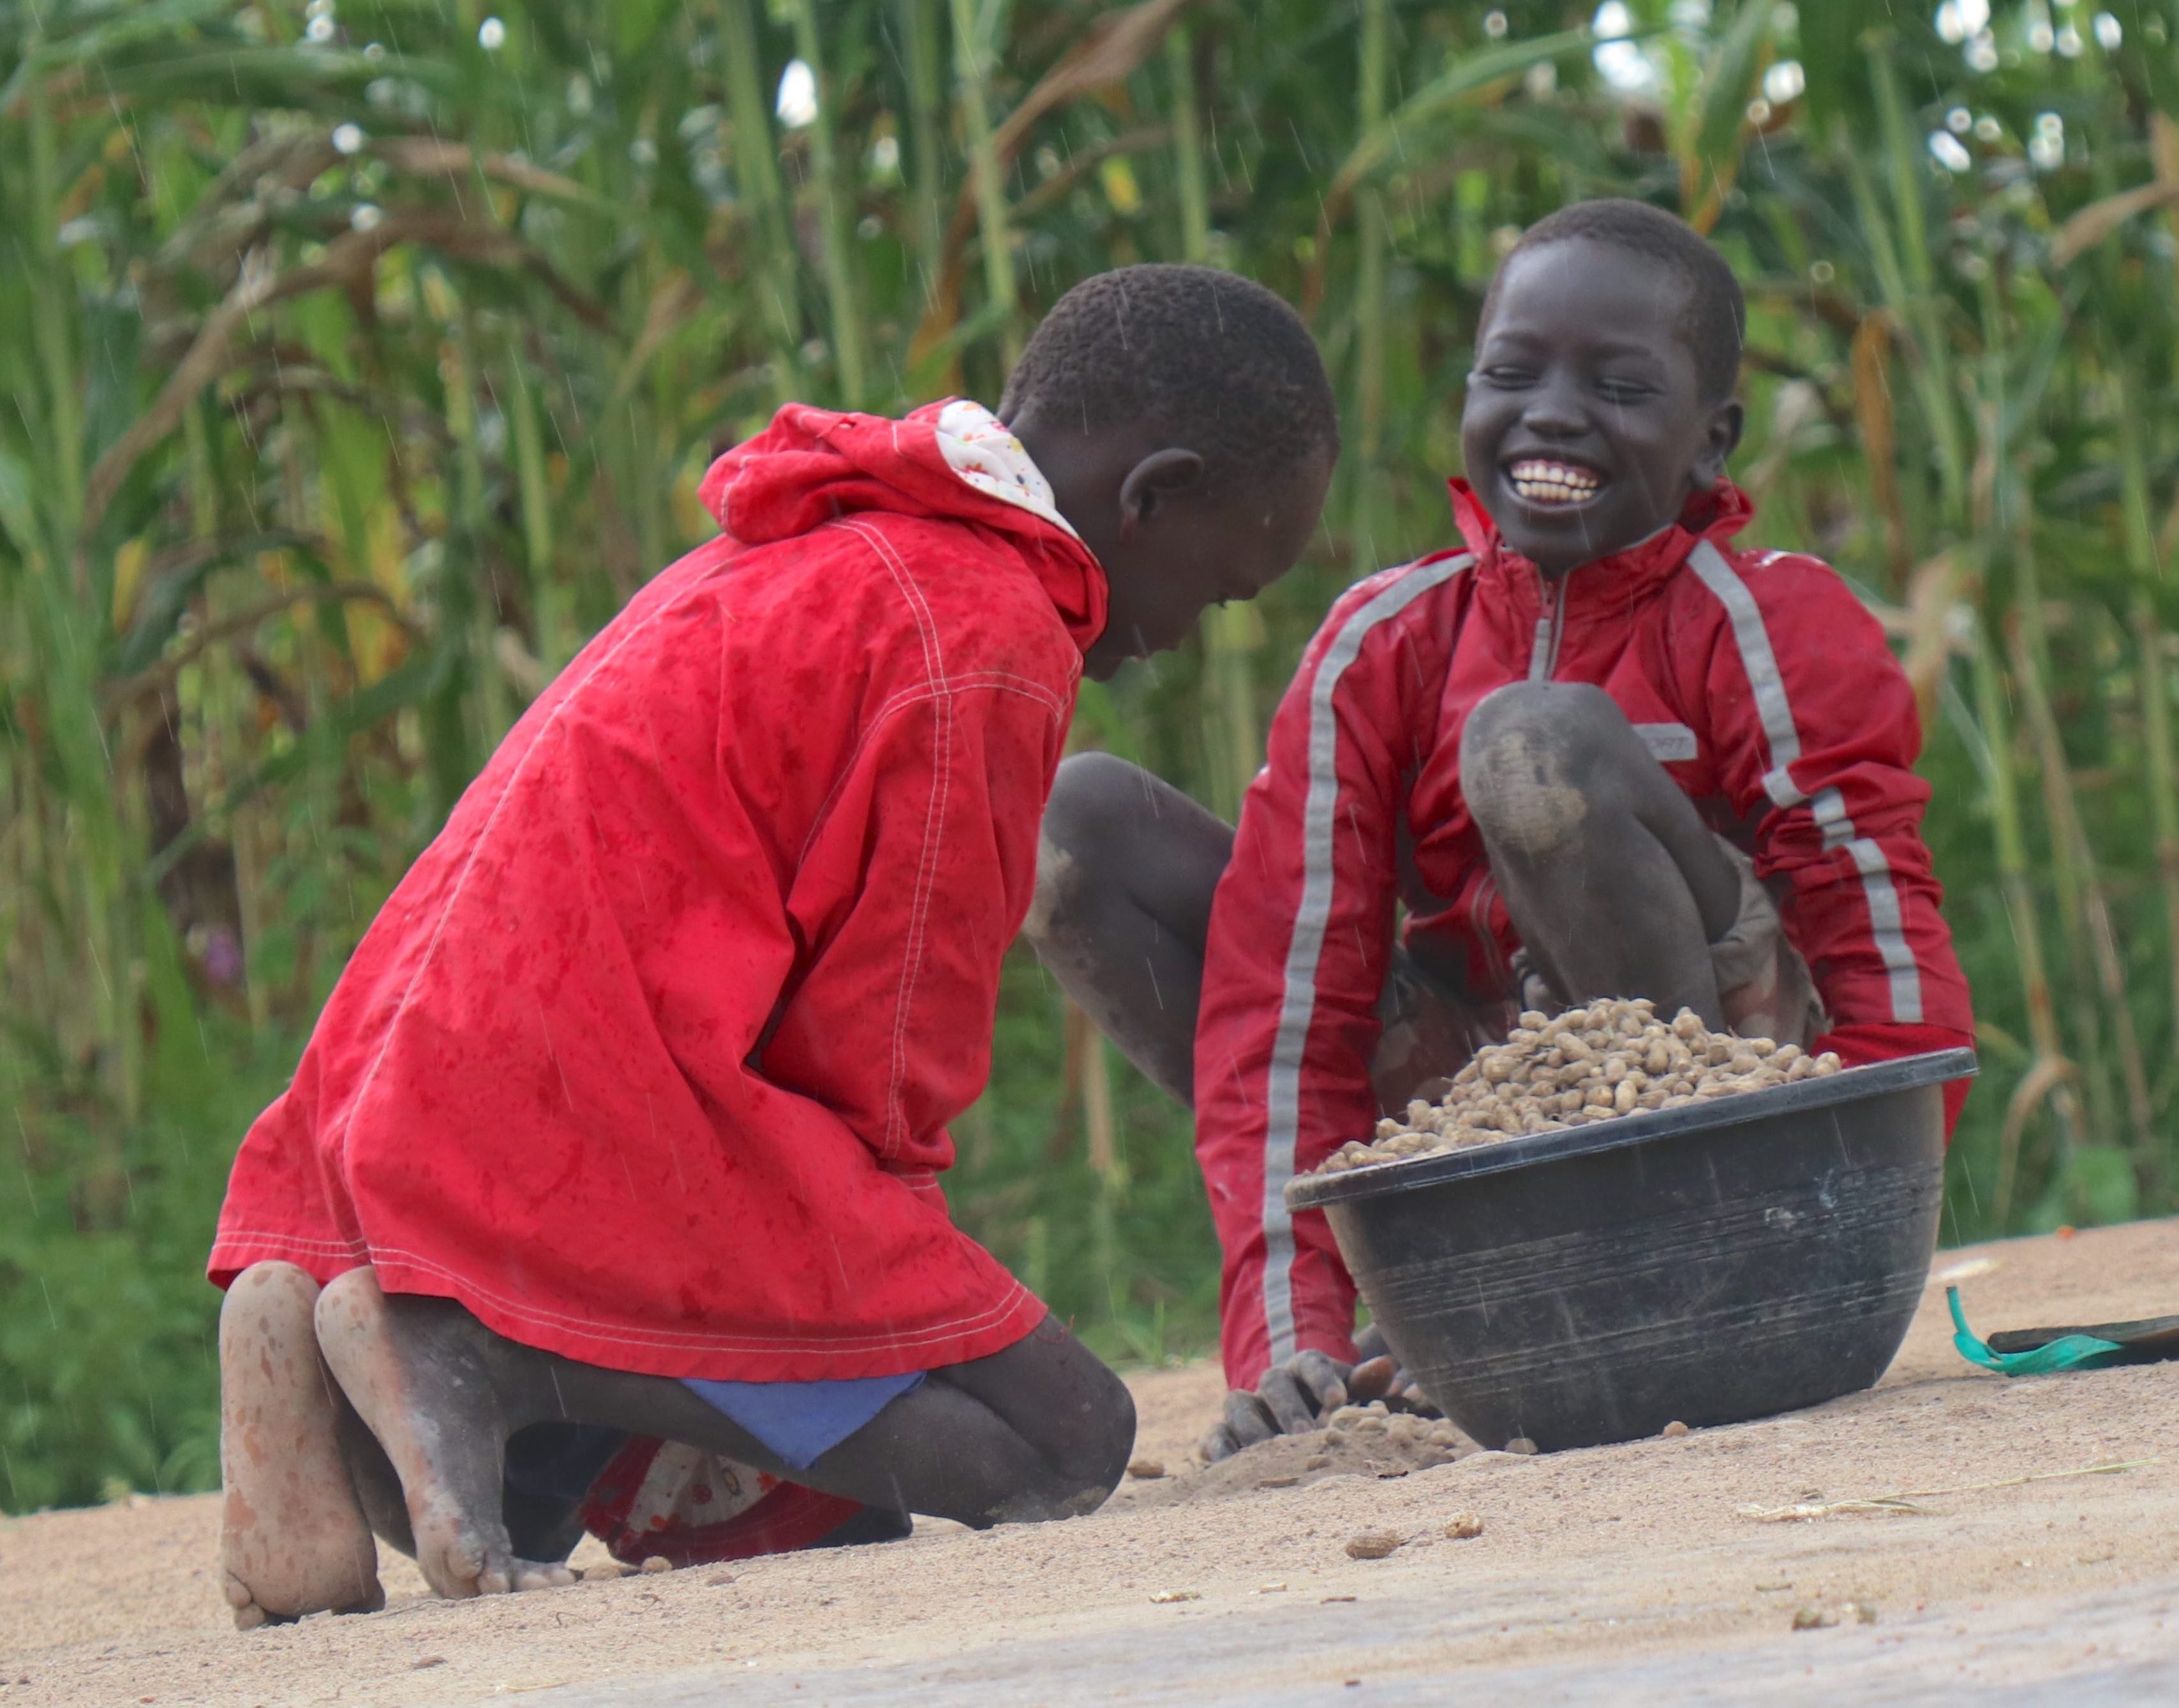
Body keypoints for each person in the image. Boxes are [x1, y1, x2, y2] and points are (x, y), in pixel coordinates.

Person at [208, 264, 1337, 1626]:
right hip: (593, 1112)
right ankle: (475, 1349)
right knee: (1062, 1438)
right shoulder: (992, 635)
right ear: (1150, 495)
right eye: (1214, 590)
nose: (1172, 637)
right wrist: (887, 1282)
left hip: (420, 1103)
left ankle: (400, 1384)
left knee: (813, 1516)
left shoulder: (819, 540)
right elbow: (888, 1035)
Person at [1026, 200, 1975, 1459]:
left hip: (1724, 1103)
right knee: (1081, 828)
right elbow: (1284, 1007)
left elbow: (1882, 960)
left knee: (1534, 749)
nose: (1551, 412)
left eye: (1619, 385)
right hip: (1472, 1074)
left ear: (1711, 442)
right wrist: (1287, 1335)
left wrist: (1848, 1226)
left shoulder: (1770, 621)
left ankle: (1637, 1291)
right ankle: (1433, 1320)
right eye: (1510, 373)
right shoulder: (1384, 641)